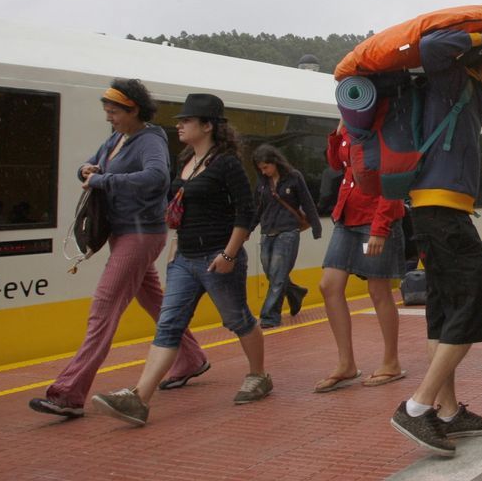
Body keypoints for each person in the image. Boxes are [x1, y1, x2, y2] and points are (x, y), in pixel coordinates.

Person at [29, 80, 209, 419]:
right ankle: (192, 359)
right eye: (107, 112)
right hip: (123, 233)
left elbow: (156, 177)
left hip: (140, 235)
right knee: (155, 302)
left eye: (114, 112)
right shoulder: (117, 139)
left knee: (104, 309)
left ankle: (68, 392)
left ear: (133, 110)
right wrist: (86, 169)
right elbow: (92, 164)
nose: (109, 118)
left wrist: (102, 180)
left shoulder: (149, 140)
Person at [91, 93, 269, 426]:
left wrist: (229, 254)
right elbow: (180, 209)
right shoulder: (186, 158)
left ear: (207, 126)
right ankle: (139, 399)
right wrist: (175, 248)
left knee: (238, 319)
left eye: (186, 121)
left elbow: (247, 211)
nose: (179, 126)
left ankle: (258, 374)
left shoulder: (227, 163)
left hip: (218, 257)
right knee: (168, 325)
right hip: (184, 258)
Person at [390, 26, 482, 457]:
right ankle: (417, 406)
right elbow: (431, 46)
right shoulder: (450, 82)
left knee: (445, 307)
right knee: (472, 301)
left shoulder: (470, 92)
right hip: (440, 211)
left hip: (438, 211)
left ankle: (446, 413)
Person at [315, 121, 407, 392]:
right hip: (346, 218)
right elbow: (335, 163)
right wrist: (338, 129)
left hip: (375, 224)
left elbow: (393, 179)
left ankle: (391, 362)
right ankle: (346, 364)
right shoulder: (349, 126)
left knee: (377, 288)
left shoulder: (384, 126)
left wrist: (380, 230)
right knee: (328, 285)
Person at [249, 143, 322, 329]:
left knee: (278, 275)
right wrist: (248, 230)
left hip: (288, 232)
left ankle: (269, 316)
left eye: (266, 167)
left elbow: (307, 202)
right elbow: (258, 209)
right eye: (260, 169)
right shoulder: (262, 184)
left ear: (275, 162)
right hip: (267, 231)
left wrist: (316, 226)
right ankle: (295, 293)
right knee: (271, 272)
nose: (264, 172)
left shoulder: (294, 177)